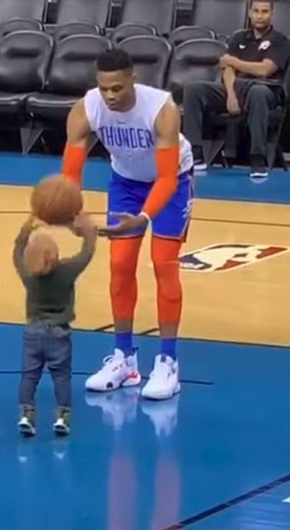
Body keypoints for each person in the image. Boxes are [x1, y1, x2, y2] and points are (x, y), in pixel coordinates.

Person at [60, 49, 194, 401]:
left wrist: (144, 217)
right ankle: (125, 359)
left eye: (117, 88)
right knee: (119, 266)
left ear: (133, 78)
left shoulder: (161, 110)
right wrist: (74, 212)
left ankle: (168, 362)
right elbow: (72, 169)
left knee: (165, 265)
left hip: (172, 183)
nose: (110, 96)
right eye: (104, 89)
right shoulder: (85, 109)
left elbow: (165, 178)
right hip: (126, 183)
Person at [180, 0, 290, 177]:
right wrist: (231, 94)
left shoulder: (279, 40)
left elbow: (264, 70)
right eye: (256, 11)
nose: (260, 16)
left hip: (266, 88)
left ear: (272, 15)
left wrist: (235, 61)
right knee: (194, 89)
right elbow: (228, 69)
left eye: (265, 12)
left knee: (258, 93)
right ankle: (196, 154)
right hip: (235, 87)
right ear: (249, 13)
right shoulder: (239, 37)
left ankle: (257, 158)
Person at [12, 214, 98, 437]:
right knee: (61, 377)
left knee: (29, 376)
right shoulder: (66, 272)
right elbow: (86, 254)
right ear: (55, 257)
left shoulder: (28, 276)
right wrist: (89, 233)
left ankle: (26, 414)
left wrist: (25, 232)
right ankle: (63, 416)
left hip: (32, 332)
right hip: (59, 334)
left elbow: (16, 255)